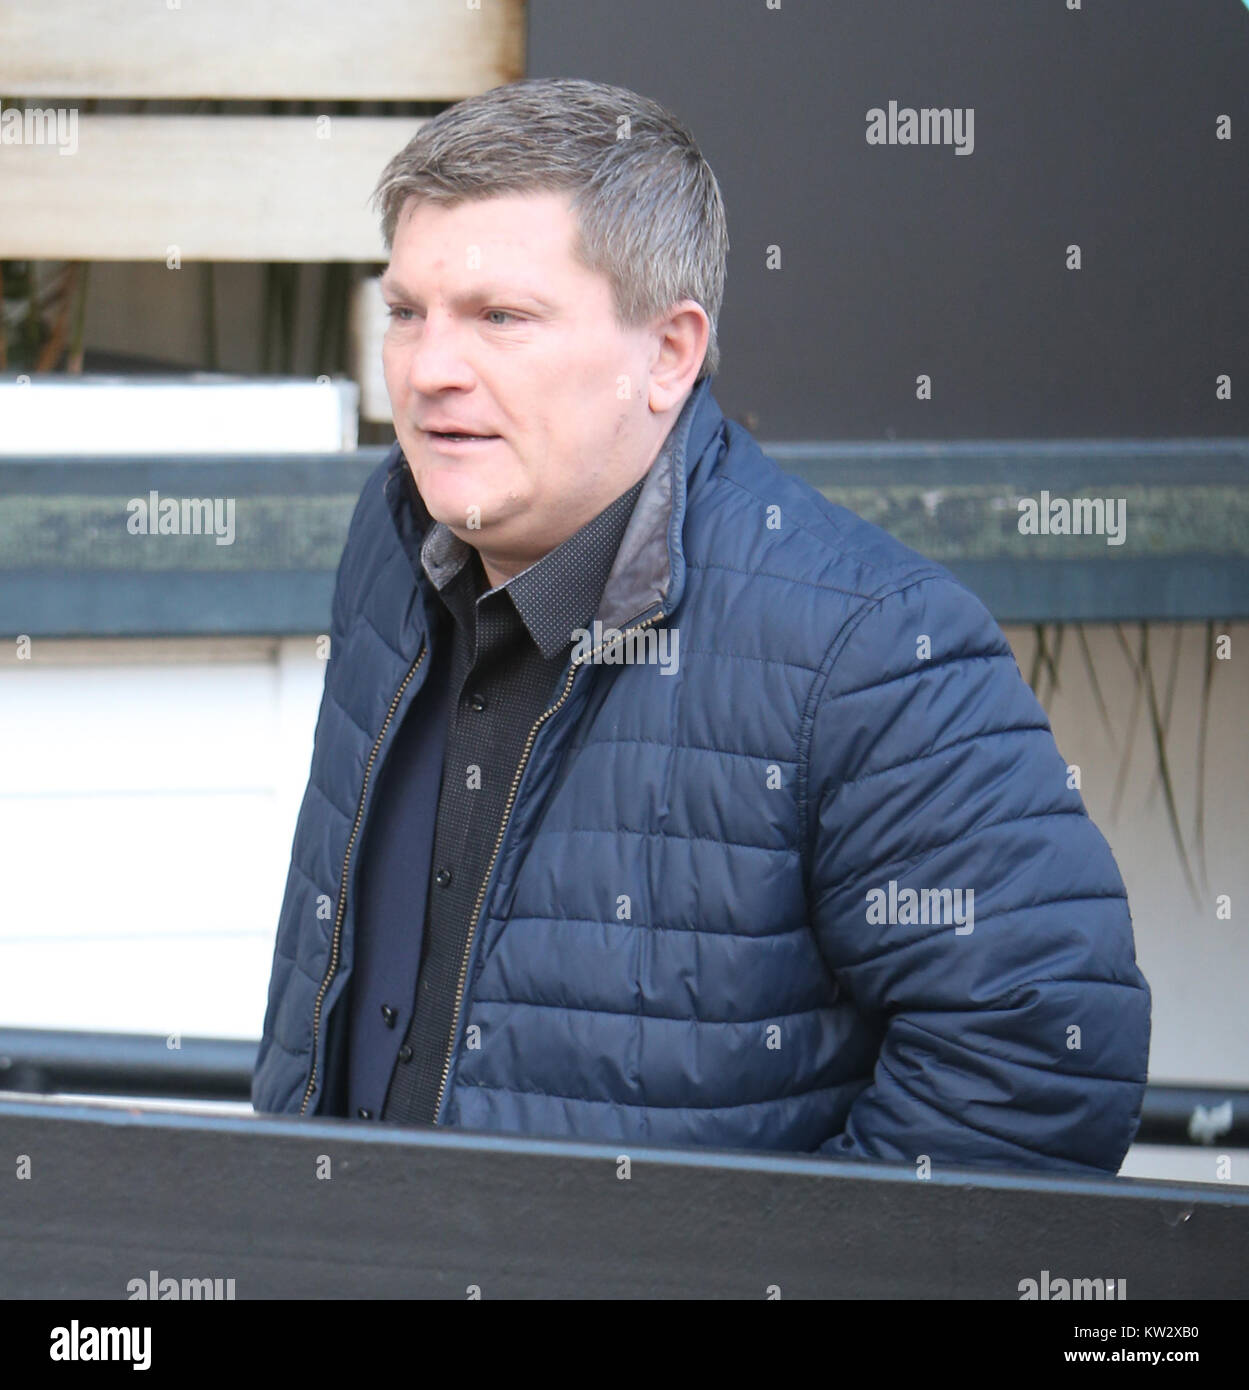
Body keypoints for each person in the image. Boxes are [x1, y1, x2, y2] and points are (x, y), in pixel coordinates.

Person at [252, 77, 1151, 1175]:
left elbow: (1041, 1063)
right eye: (405, 312)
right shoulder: (395, 538)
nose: (429, 369)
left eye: (501, 317)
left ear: (669, 355)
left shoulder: (870, 649)